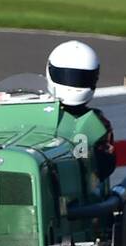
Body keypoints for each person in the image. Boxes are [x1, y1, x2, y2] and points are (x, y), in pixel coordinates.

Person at [45, 40, 117, 181]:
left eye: (80, 78)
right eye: (66, 76)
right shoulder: (38, 110)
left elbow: (105, 168)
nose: (73, 83)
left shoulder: (97, 123)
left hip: (81, 191)